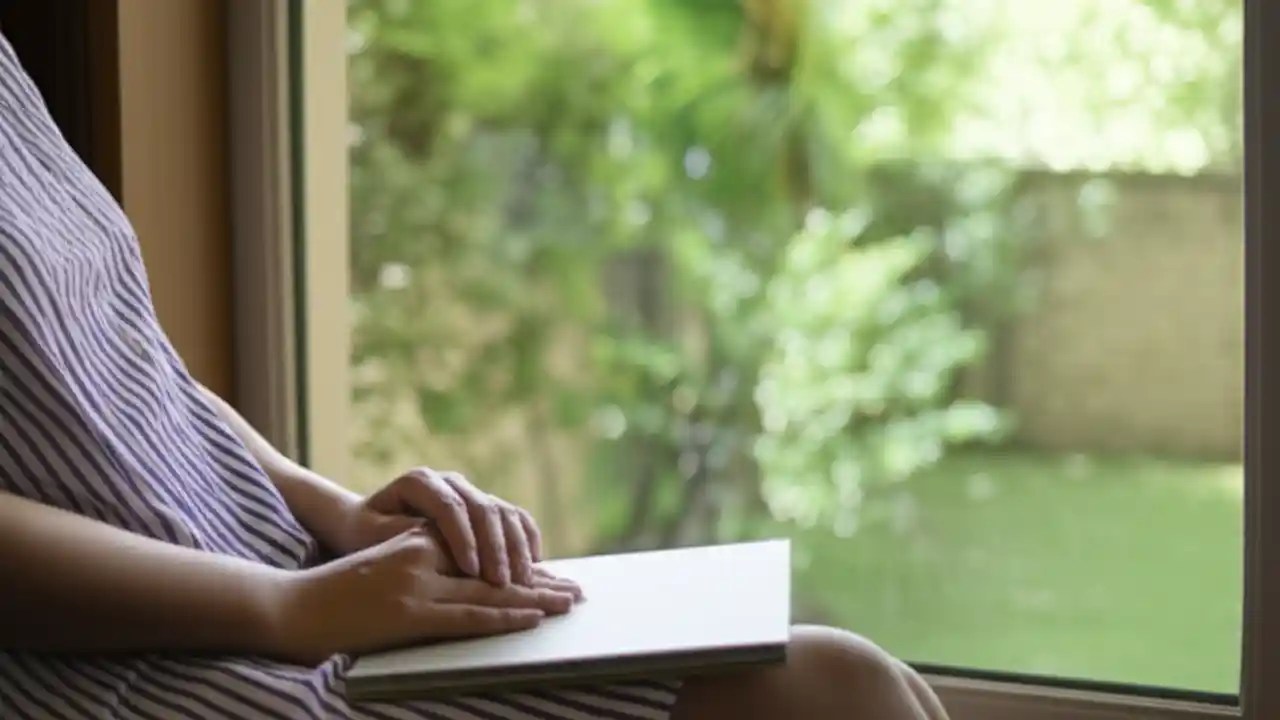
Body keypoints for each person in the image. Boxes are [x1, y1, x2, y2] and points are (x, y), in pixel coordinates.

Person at [0, 33, 948, 720]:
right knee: (834, 695)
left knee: (871, 683)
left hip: (262, 578)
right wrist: (292, 611)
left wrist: (333, 513)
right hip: (134, 658)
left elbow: (128, 356)